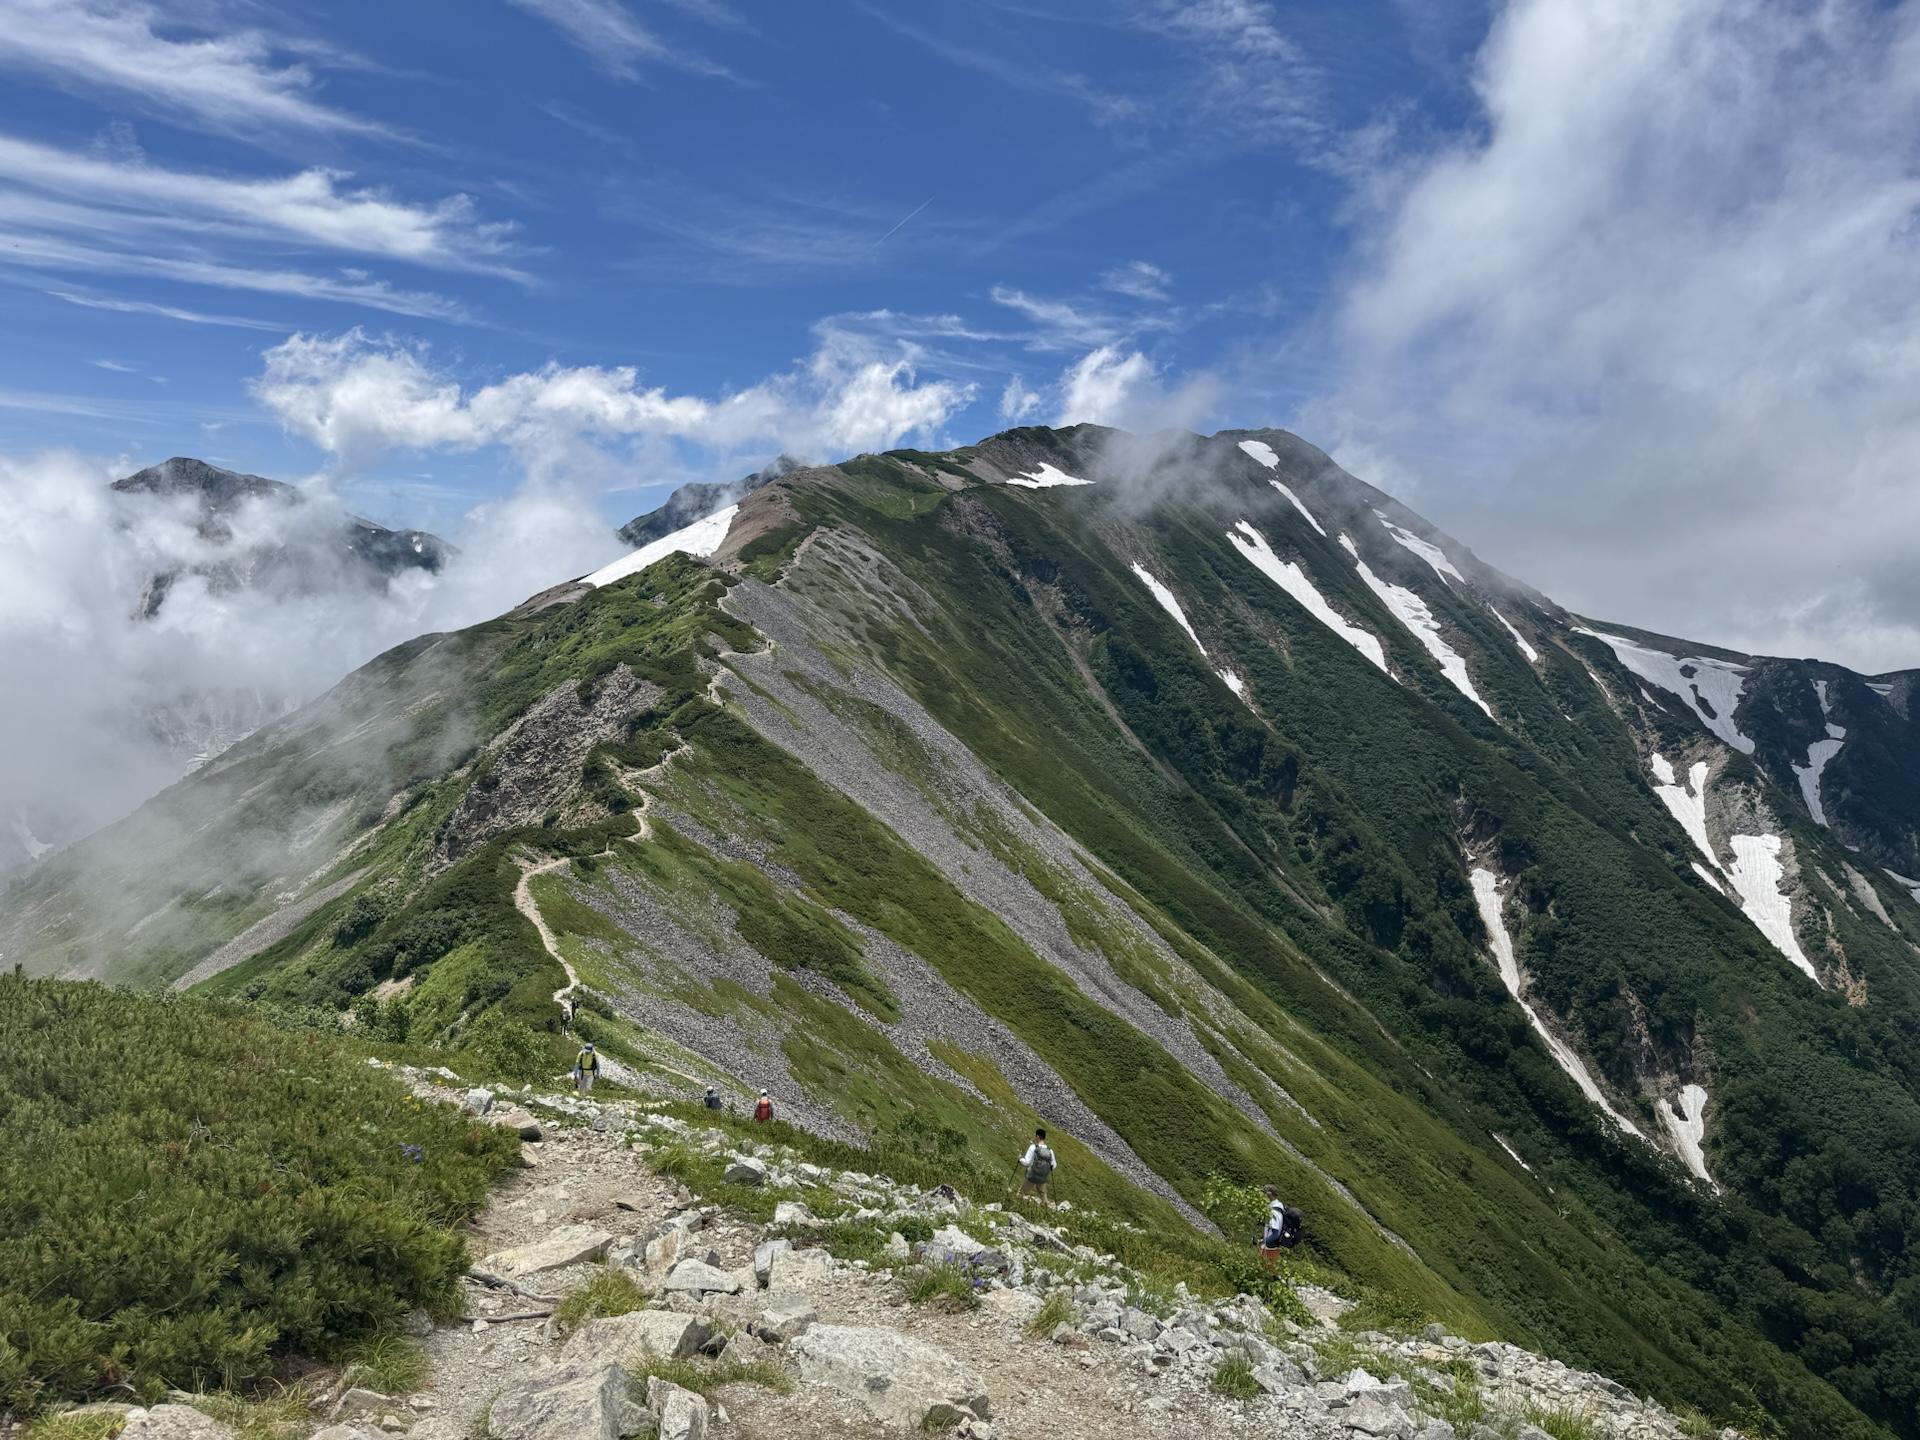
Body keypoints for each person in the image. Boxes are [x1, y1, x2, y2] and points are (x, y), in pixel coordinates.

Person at [1012, 1126, 1056, 1208]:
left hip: (1032, 1175)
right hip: (1042, 1177)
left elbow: (1027, 1162)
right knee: (1043, 1197)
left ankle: (1014, 1208)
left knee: (1021, 1193)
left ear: (1038, 1137)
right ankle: (1046, 1212)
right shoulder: (1050, 1150)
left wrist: (1020, 1159)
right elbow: (1053, 1165)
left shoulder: (1033, 1147)